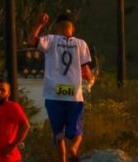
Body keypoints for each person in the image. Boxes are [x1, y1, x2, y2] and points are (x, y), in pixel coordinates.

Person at [28, 12, 95, 162]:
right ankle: (75, 148)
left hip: (54, 94)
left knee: (58, 131)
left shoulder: (51, 40)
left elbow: (31, 41)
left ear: (57, 27)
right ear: (73, 28)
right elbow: (85, 70)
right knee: (77, 128)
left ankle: (62, 159)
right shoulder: (81, 44)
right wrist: (91, 80)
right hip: (74, 94)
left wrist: (39, 24)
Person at [0, 80, 30, 162]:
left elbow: (25, 126)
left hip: (9, 158)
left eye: (2, 90)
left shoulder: (12, 107)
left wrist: (12, 146)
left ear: (8, 93)